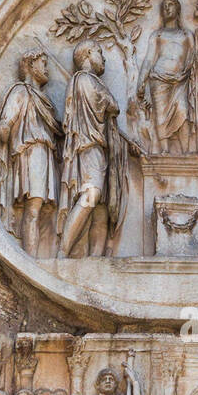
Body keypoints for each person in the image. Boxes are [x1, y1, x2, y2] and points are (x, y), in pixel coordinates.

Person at [57, 41, 128, 258]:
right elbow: (111, 105)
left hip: (101, 149)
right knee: (91, 195)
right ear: (88, 54)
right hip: (88, 147)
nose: (104, 58)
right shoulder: (85, 80)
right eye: (99, 52)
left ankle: (96, 262)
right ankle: (62, 252)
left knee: (101, 209)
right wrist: (108, 99)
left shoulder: (89, 81)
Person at [0, 49, 61, 256]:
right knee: (33, 207)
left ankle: (34, 254)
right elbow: (4, 126)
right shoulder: (21, 92)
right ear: (31, 65)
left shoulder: (43, 98)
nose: (46, 68)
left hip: (45, 152)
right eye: (43, 63)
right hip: (32, 152)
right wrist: (15, 139)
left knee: (41, 208)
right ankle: (30, 257)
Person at [134, 0, 194, 153]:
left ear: (178, 9)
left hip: (180, 80)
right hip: (159, 79)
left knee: (183, 113)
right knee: (160, 116)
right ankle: (165, 152)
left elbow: (193, 58)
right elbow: (148, 60)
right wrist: (141, 82)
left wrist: (186, 74)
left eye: (171, 4)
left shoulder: (187, 35)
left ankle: (187, 152)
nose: (167, 8)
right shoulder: (157, 35)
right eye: (164, 6)